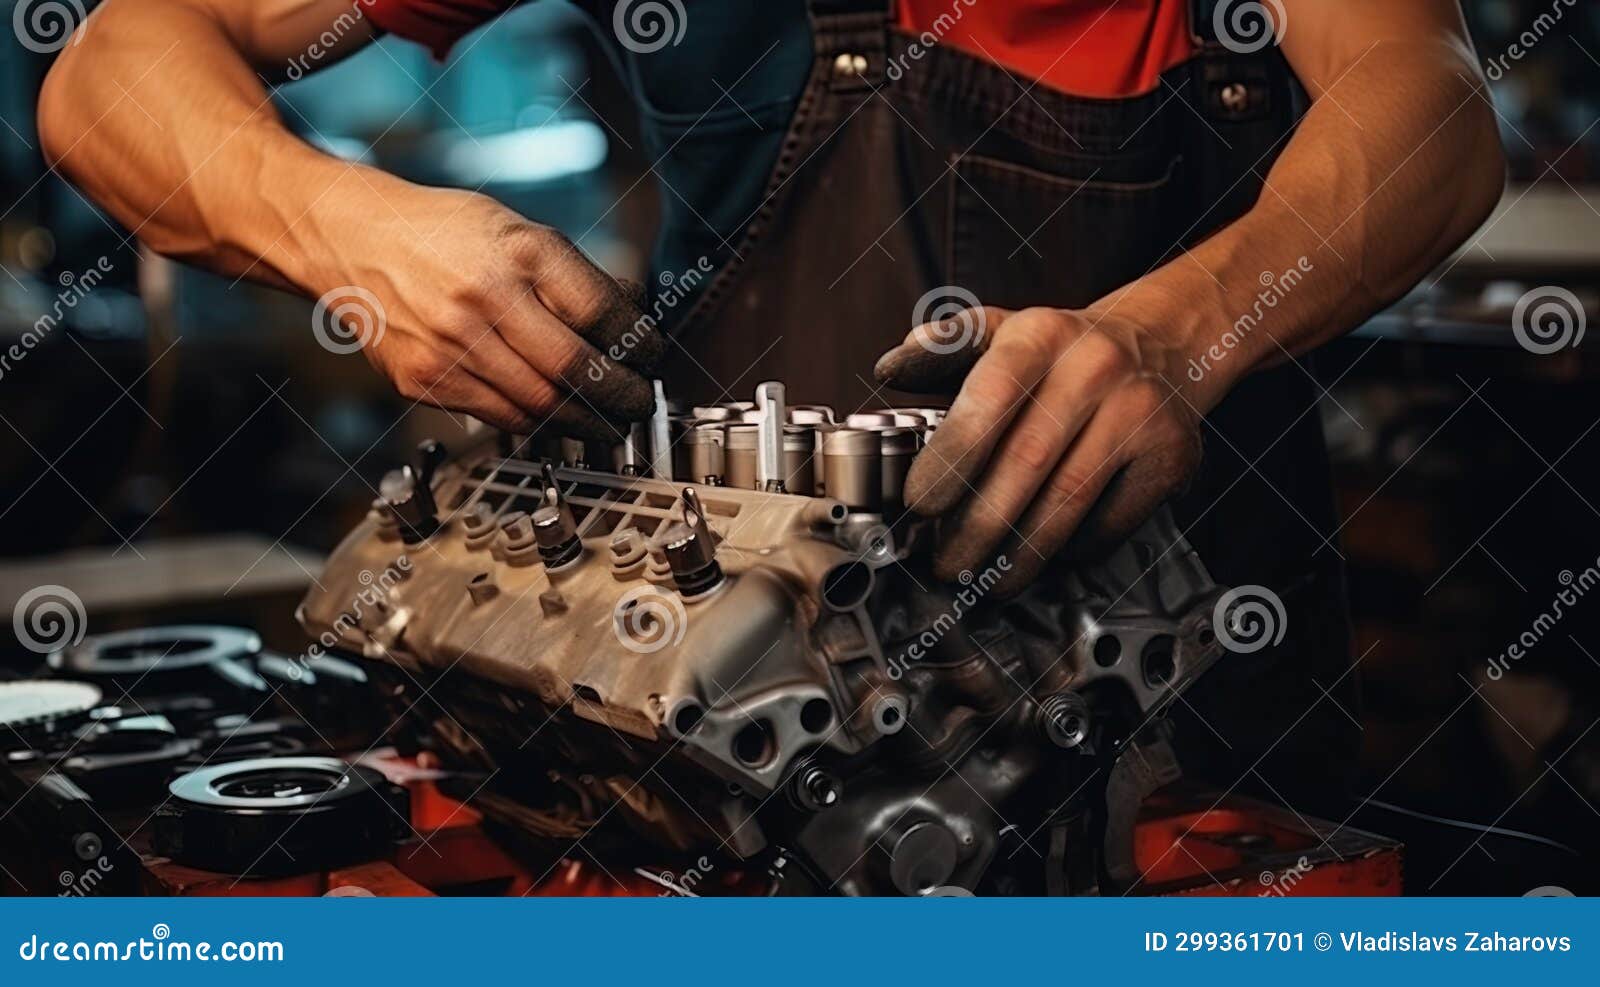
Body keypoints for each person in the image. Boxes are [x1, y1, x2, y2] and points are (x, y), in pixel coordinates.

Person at [39, 0, 1504, 818]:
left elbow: (1428, 102)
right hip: (718, 732)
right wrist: (345, 226)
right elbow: (116, 65)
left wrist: (1185, 332)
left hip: (1180, 730)